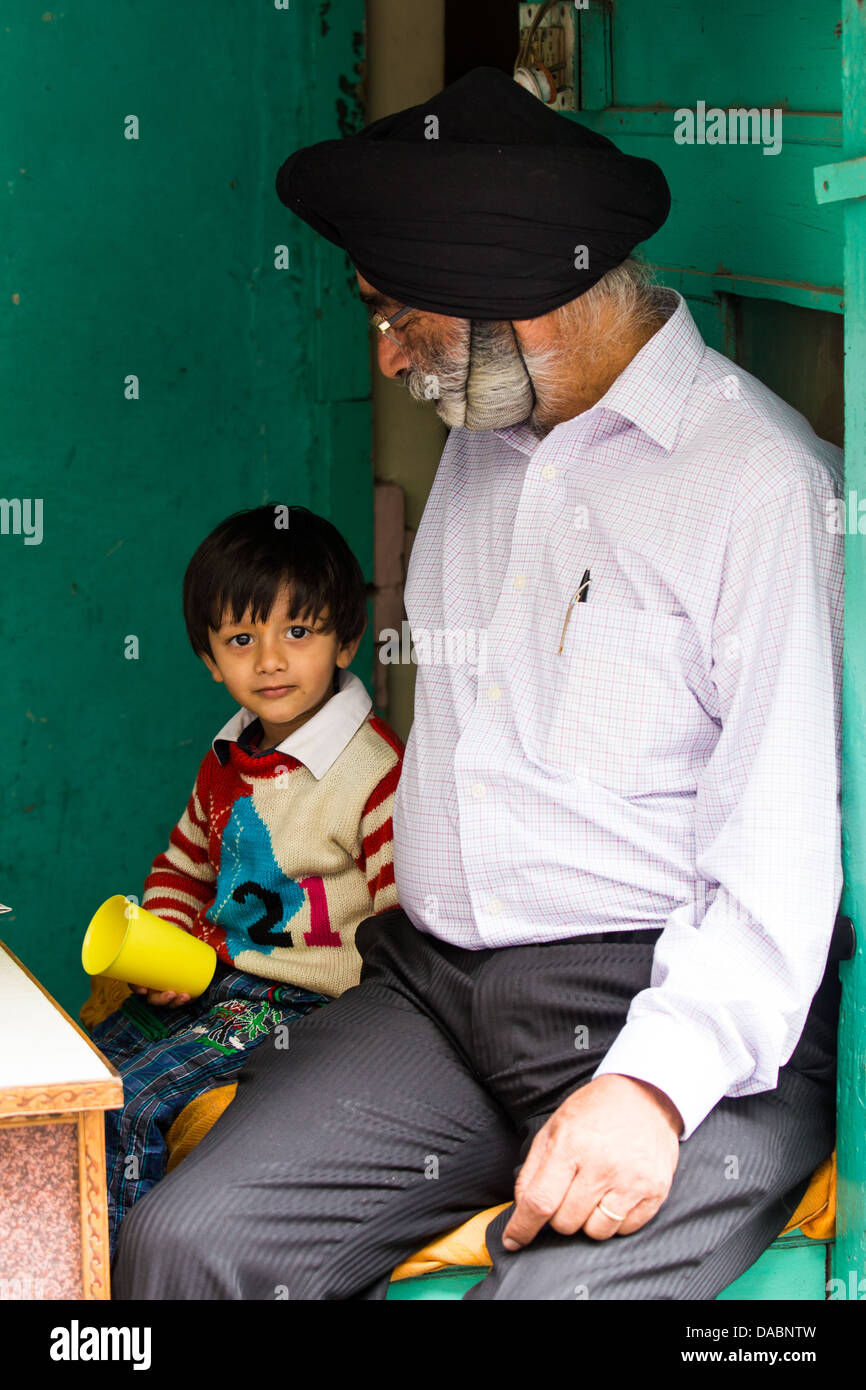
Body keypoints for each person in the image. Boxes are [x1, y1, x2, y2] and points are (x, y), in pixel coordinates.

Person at [112, 67, 845, 1301]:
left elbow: (776, 870)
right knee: (185, 1246)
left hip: (675, 1009)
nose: (386, 350)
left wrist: (647, 1086)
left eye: (403, 316)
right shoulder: (486, 438)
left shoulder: (757, 488)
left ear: (535, 303)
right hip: (441, 995)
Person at [89, 503, 403, 1258]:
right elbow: (183, 866)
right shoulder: (230, 759)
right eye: (241, 639)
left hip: (304, 1005)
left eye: (298, 633)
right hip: (213, 981)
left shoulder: (374, 774)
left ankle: (118, 1278)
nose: (270, 661)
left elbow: (404, 921)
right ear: (210, 658)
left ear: (345, 639)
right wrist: (161, 945)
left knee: (131, 1103)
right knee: (85, 1071)